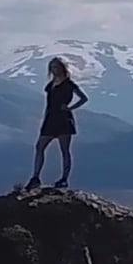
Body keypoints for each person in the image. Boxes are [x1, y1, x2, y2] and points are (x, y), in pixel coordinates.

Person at [26, 57, 86, 190]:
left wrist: (70, 108)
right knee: (40, 147)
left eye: (56, 67)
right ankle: (35, 177)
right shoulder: (52, 83)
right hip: (50, 118)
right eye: (52, 67)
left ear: (62, 68)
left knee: (64, 150)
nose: (54, 70)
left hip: (63, 118)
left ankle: (64, 178)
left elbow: (83, 98)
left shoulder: (69, 84)